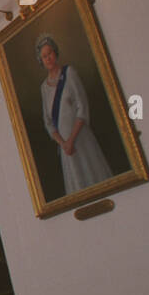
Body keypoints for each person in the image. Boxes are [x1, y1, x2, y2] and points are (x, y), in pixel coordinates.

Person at [36, 34, 112, 196]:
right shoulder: (44, 88)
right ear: (41, 61)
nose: (48, 58)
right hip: (65, 148)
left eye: (50, 53)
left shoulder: (69, 73)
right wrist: (63, 143)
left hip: (81, 139)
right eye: (44, 56)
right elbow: (48, 122)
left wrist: (71, 140)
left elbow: (82, 107)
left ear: (55, 53)